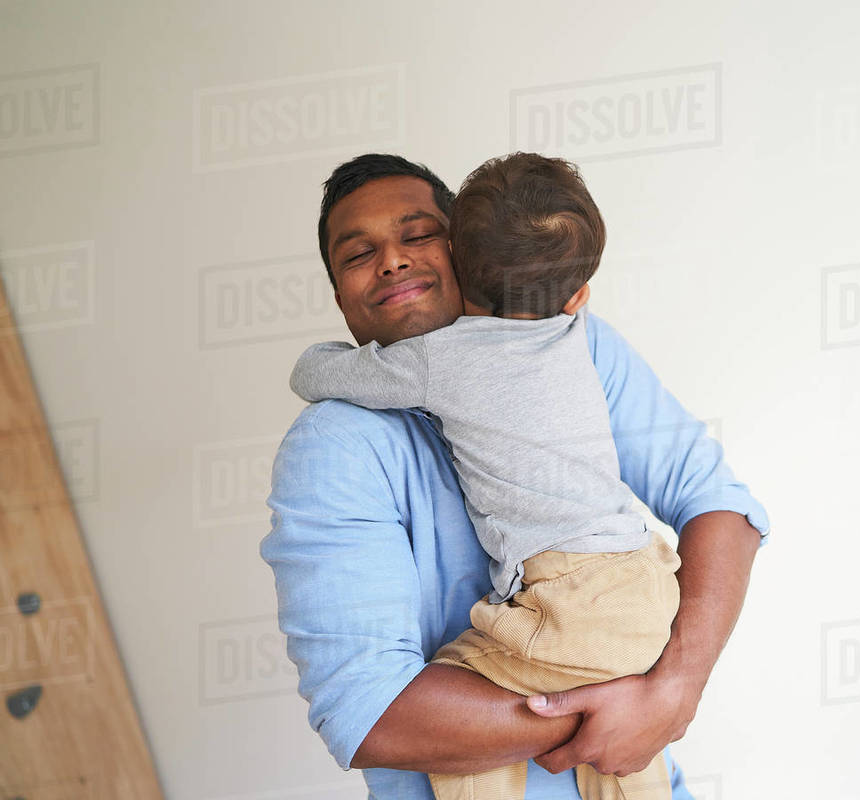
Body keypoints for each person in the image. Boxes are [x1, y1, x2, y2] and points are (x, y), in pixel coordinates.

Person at [260, 153, 770, 799]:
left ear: (467, 252)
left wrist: (675, 687)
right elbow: (370, 715)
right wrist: (616, 710)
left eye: (418, 235)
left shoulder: (578, 342)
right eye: (358, 254)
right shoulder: (335, 446)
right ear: (340, 297)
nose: (392, 259)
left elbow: (717, 503)